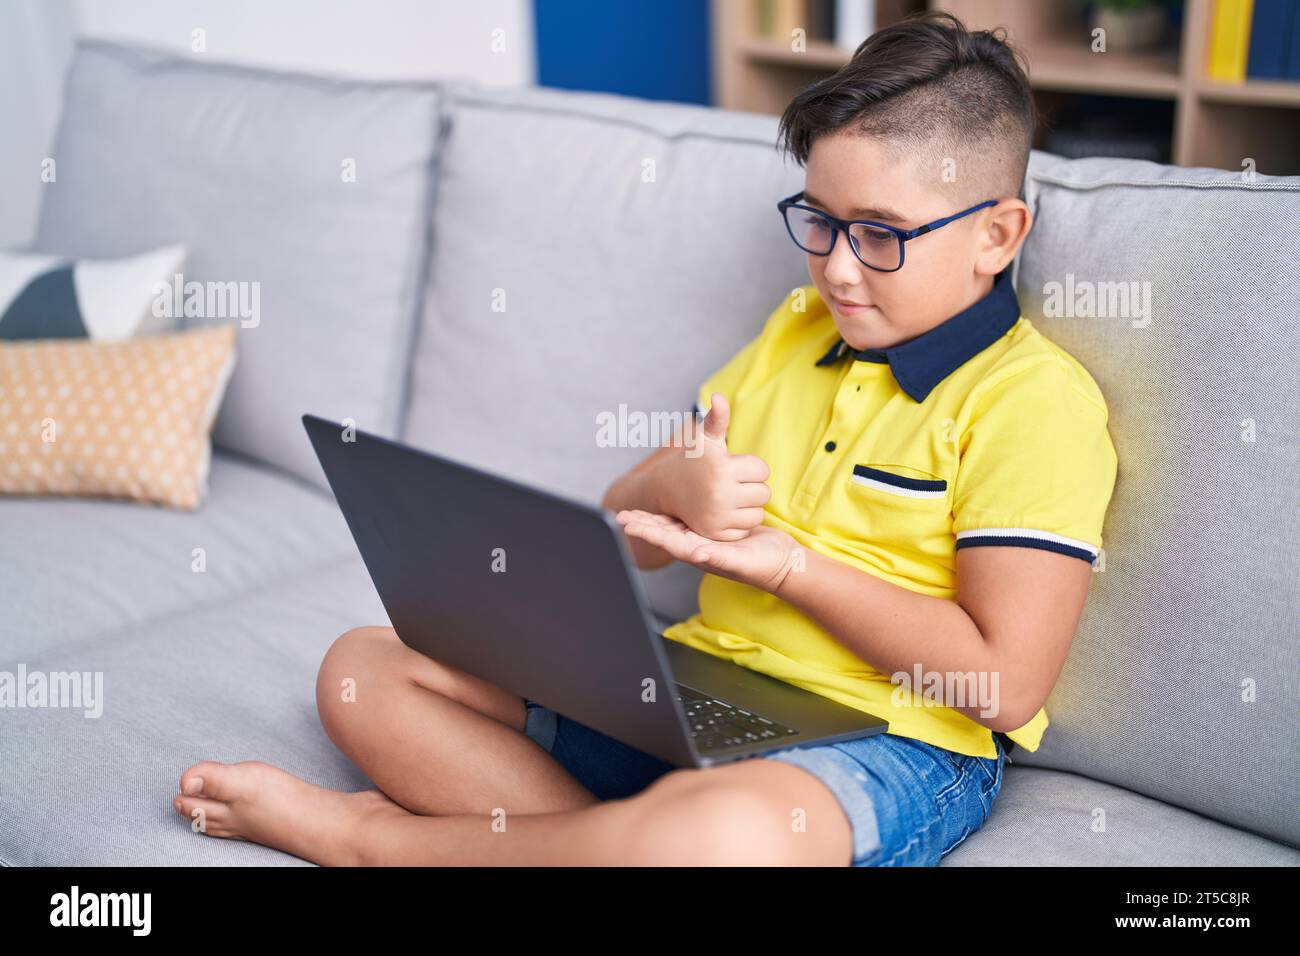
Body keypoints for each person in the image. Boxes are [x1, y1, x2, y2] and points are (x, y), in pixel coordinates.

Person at [172, 10, 1118, 866]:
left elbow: (1003, 685)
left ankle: (375, 840)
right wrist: (670, 486)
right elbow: (622, 533)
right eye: (820, 221)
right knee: (360, 673)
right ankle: (621, 846)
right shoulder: (796, 331)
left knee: (723, 837)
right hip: (693, 696)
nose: (837, 267)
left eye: (879, 233)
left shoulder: (1034, 404)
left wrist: (787, 568)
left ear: (998, 234)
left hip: (890, 742)